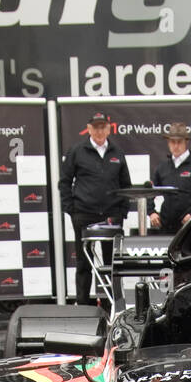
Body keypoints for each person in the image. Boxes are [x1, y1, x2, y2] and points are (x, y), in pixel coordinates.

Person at [59, 112, 130, 304]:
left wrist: (121, 213)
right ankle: (83, 306)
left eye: (102, 127)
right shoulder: (77, 150)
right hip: (84, 214)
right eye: (95, 127)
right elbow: (64, 182)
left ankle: (112, 305)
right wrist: (71, 210)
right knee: (84, 263)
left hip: (111, 216)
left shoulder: (117, 152)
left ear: (108, 129)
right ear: (89, 129)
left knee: (112, 264)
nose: (99, 131)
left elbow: (126, 185)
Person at [148, 124, 191, 233]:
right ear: (168, 143)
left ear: (186, 142)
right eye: (172, 142)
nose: (176, 146)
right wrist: (151, 212)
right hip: (166, 228)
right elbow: (149, 193)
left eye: (179, 142)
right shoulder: (162, 168)